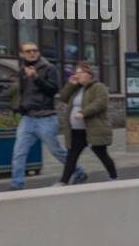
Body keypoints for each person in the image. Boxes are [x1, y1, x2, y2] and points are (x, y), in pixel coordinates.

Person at [6, 42, 85, 189]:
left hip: (46, 118)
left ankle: (78, 171)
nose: (32, 53)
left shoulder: (49, 68)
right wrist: (20, 107)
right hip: (27, 118)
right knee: (18, 152)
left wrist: (36, 77)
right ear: (21, 54)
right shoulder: (23, 70)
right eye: (28, 51)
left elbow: (52, 90)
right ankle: (16, 184)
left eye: (35, 50)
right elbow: (24, 92)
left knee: (56, 151)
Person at [57, 61, 117, 184]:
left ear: (89, 74)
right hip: (76, 130)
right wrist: (70, 84)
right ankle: (63, 181)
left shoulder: (99, 87)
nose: (78, 75)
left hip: (93, 128)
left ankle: (114, 177)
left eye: (81, 72)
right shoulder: (76, 89)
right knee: (72, 156)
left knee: (102, 154)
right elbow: (63, 98)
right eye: (76, 73)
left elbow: (100, 103)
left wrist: (84, 112)